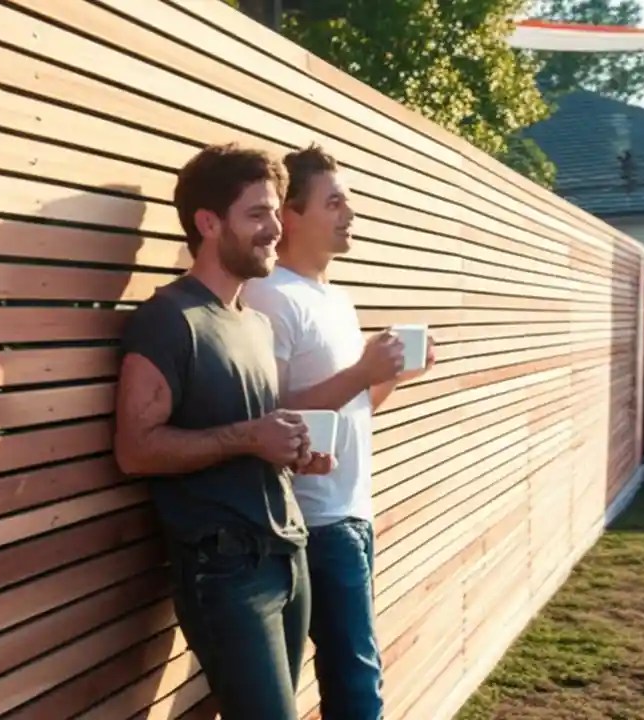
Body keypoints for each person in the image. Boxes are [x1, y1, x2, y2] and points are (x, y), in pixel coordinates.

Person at [113, 142, 335, 719]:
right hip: (227, 571)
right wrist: (249, 439)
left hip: (289, 553)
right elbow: (136, 450)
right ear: (208, 223)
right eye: (257, 214)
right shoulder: (167, 318)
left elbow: (247, 434)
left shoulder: (256, 324)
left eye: (275, 213)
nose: (274, 230)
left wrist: (290, 452)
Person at [241, 144, 436, 720]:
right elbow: (267, 412)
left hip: (351, 512)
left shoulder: (336, 299)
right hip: (311, 521)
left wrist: (390, 376)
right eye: (335, 201)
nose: (350, 212)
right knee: (356, 682)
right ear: (292, 215)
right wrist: (359, 371)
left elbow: (355, 405)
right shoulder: (270, 296)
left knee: (351, 672)